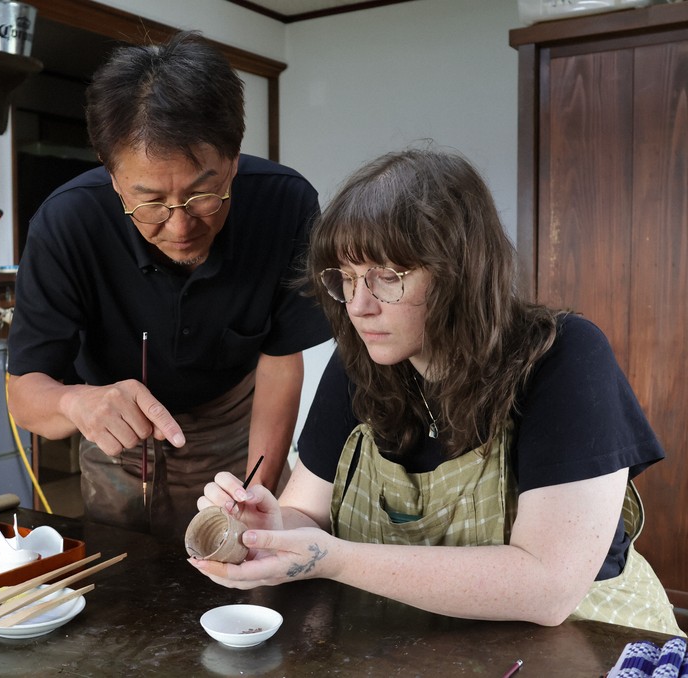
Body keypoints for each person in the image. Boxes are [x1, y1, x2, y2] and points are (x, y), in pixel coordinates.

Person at [190, 146, 684, 636]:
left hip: (587, 640)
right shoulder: (358, 362)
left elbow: (549, 588)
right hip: (425, 641)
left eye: (386, 277)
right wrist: (274, 527)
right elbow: (308, 512)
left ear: (459, 272)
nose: (358, 305)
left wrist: (334, 560)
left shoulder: (563, 356)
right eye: (347, 277)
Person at [6, 31, 330, 535]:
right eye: (150, 202)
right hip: (117, 443)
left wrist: (256, 494)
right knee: (121, 581)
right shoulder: (68, 223)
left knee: (254, 575)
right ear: (113, 178)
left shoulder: (285, 205)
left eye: (205, 194)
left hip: (235, 431)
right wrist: (77, 401)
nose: (180, 228)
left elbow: (280, 364)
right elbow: (24, 394)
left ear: (234, 160)